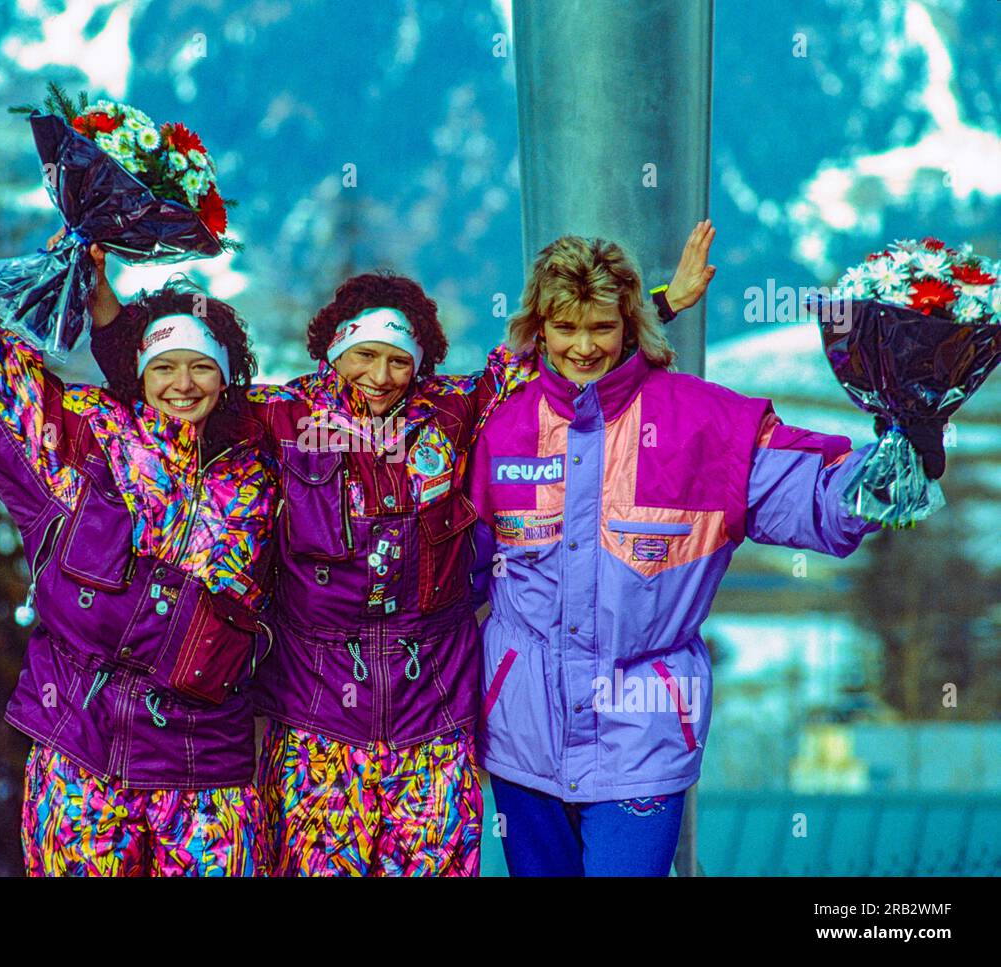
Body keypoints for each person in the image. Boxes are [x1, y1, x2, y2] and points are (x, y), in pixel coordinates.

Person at [87, 224, 712, 875]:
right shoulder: (282, 417)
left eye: (398, 359)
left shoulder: (454, 408)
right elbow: (173, 390)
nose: (380, 376)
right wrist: (106, 303)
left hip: (433, 717)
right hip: (316, 720)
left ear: (422, 359)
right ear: (334, 351)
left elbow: (554, 348)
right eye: (363, 356)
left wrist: (667, 298)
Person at [0, 179, 280, 876]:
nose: (184, 383)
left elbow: (368, 407)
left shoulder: (262, 466)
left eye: (202, 366)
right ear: (138, 375)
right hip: (83, 761)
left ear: (228, 378)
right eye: (164, 365)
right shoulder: (82, 444)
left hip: (209, 775)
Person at [466, 232, 900, 876]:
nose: (584, 347)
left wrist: (896, 463)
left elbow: (809, 489)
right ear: (537, 326)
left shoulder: (702, 421)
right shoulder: (500, 426)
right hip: (523, 734)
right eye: (565, 327)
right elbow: (453, 567)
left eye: (603, 326)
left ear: (630, 323)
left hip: (642, 734)